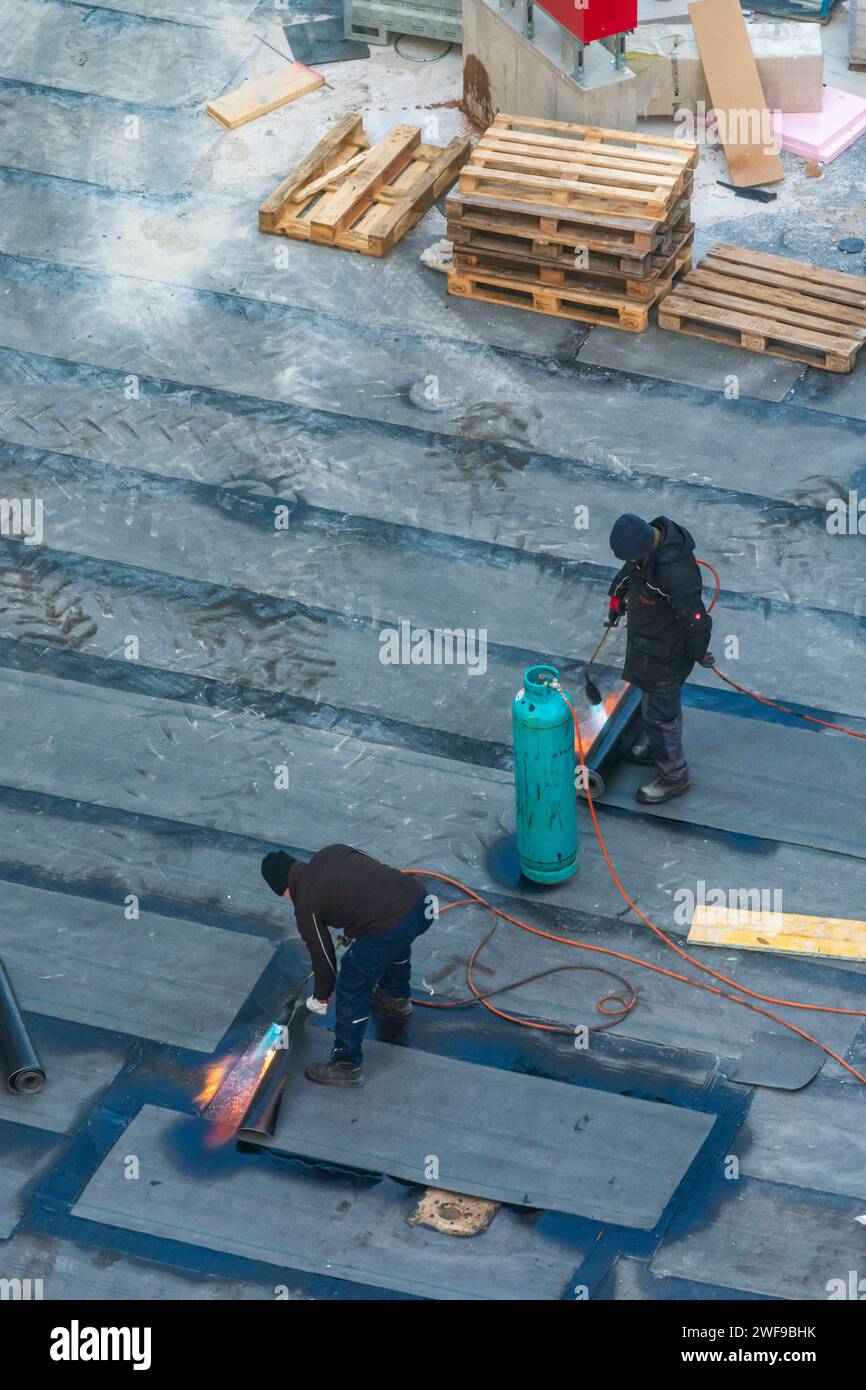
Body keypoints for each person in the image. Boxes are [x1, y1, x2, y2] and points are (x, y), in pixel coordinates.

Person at [260, 844, 429, 1087]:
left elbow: (325, 959)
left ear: (283, 889)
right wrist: (357, 919)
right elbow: (374, 870)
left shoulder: (305, 904)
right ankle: (395, 998)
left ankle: (347, 1065)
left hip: (391, 923)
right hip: (418, 901)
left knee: (352, 979)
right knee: (395, 941)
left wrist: (321, 996)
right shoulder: (333, 851)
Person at [607, 513, 714, 805]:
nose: (630, 562)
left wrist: (696, 652)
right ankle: (659, 748)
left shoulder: (676, 574)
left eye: (632, 557)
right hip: (648, 645)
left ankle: (674, 775)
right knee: (653, 707)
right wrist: (616, 603)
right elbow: (627, 577)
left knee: (660, 715)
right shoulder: (644, 552)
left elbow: (697, 621)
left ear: (644, 549)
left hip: (667, 653)